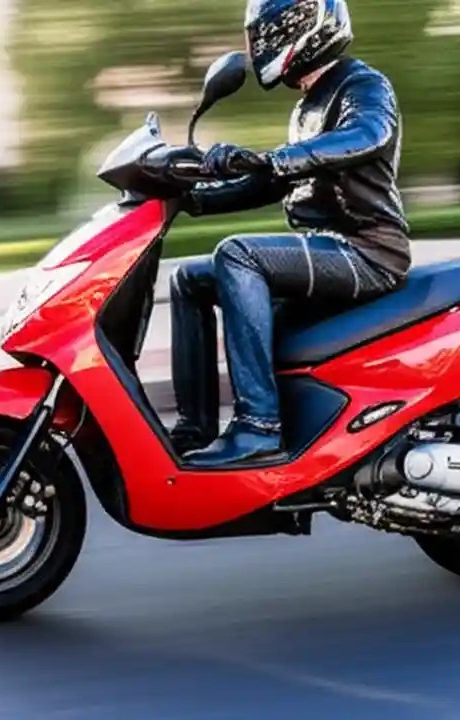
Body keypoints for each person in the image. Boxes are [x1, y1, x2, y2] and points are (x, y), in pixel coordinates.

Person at [169, 0, 412, 468]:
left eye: (273, 32)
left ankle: (259, 427)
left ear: (311, 27)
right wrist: (189, 199)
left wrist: (272, 158)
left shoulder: (363, 85)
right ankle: (193, 429)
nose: (264, 44)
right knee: (189, 278)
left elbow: (368, 135)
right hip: (330, 251)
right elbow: (273, 181)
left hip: (367, 251)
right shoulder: (307, 108)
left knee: (237, 255)